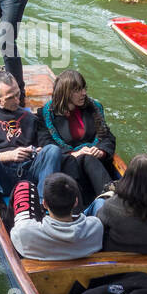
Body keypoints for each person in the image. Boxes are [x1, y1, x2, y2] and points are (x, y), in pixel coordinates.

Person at [0, 70, 62, 207]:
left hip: (28, 171)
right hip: (0, 173)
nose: (17, 100)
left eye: (18, 94)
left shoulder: (30, 118)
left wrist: (36, 151)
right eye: (10, 98)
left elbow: (42, 148)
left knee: (52, 150)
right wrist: (10, 155)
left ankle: (44, 203)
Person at [36, 69, 118, 205]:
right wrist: (75, 153)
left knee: (88, 157)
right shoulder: (45, 115)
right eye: (78, 90)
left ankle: (104, 201)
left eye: (84, 88)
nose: (84, 93)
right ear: (65, 94)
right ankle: (110, 199)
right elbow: (47, 145)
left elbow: (107, 137)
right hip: (66, 164)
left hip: (94, 163)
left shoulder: (94, 109)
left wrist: (101, 151)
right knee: (85, 157)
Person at [87, 154, 147, 254]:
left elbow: (99, 229)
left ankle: (77, 219)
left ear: (127, 179)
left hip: (116, 259)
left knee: (99, 202)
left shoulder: (110, 206)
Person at [10, 173, 103, 261]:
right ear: (76, 202)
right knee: (100, 202)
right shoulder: (96, 227)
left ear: (45, 204)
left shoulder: (23, 232)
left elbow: (19, 227)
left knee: (24, 185)